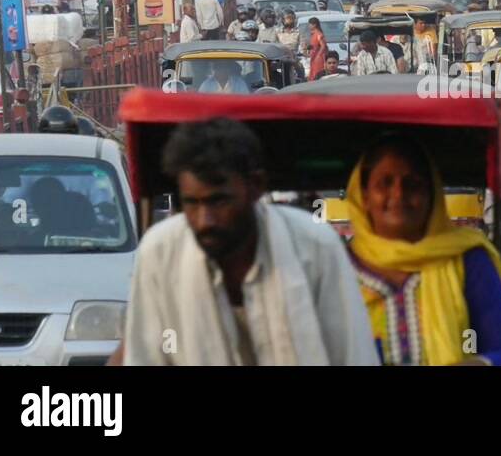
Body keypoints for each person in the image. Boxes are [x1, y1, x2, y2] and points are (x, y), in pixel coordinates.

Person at [122, 118, 378, 365]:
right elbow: (145, 356)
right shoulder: (160, 252)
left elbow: (352, 354)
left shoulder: (315, 247)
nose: (204, 221)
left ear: (256, 186)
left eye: (218, 201)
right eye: (192, 203)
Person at [345, 136, 501, 365]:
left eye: (412, 184)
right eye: (384, 183)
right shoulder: (338, 267)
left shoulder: (467, 259)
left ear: (432, 195)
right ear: (364, 197)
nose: (398, 195)